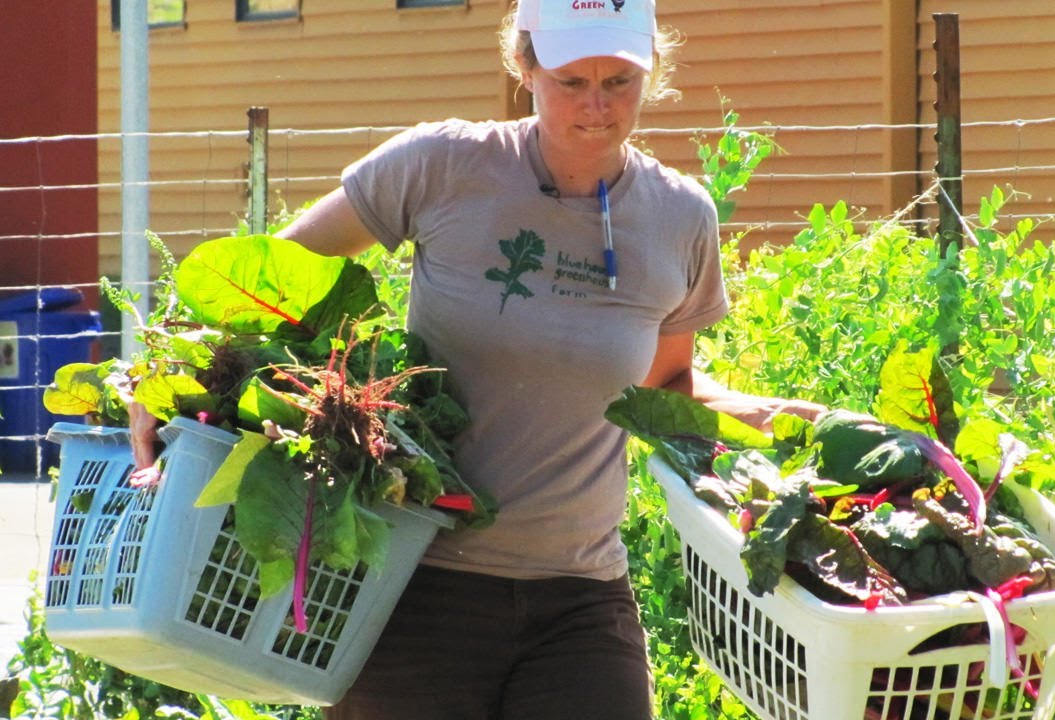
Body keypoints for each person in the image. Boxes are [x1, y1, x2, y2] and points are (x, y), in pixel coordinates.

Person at [132, 0, 823, 717]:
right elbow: (261, 278)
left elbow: (666, 385)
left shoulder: (680, 218)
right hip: (411, 585)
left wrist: (794, 422)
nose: (596, 106)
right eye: (570, 80)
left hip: (580, 597)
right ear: (522, 64)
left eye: (619, 81)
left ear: (653, 70)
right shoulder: (443, 165)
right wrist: (160, 379)